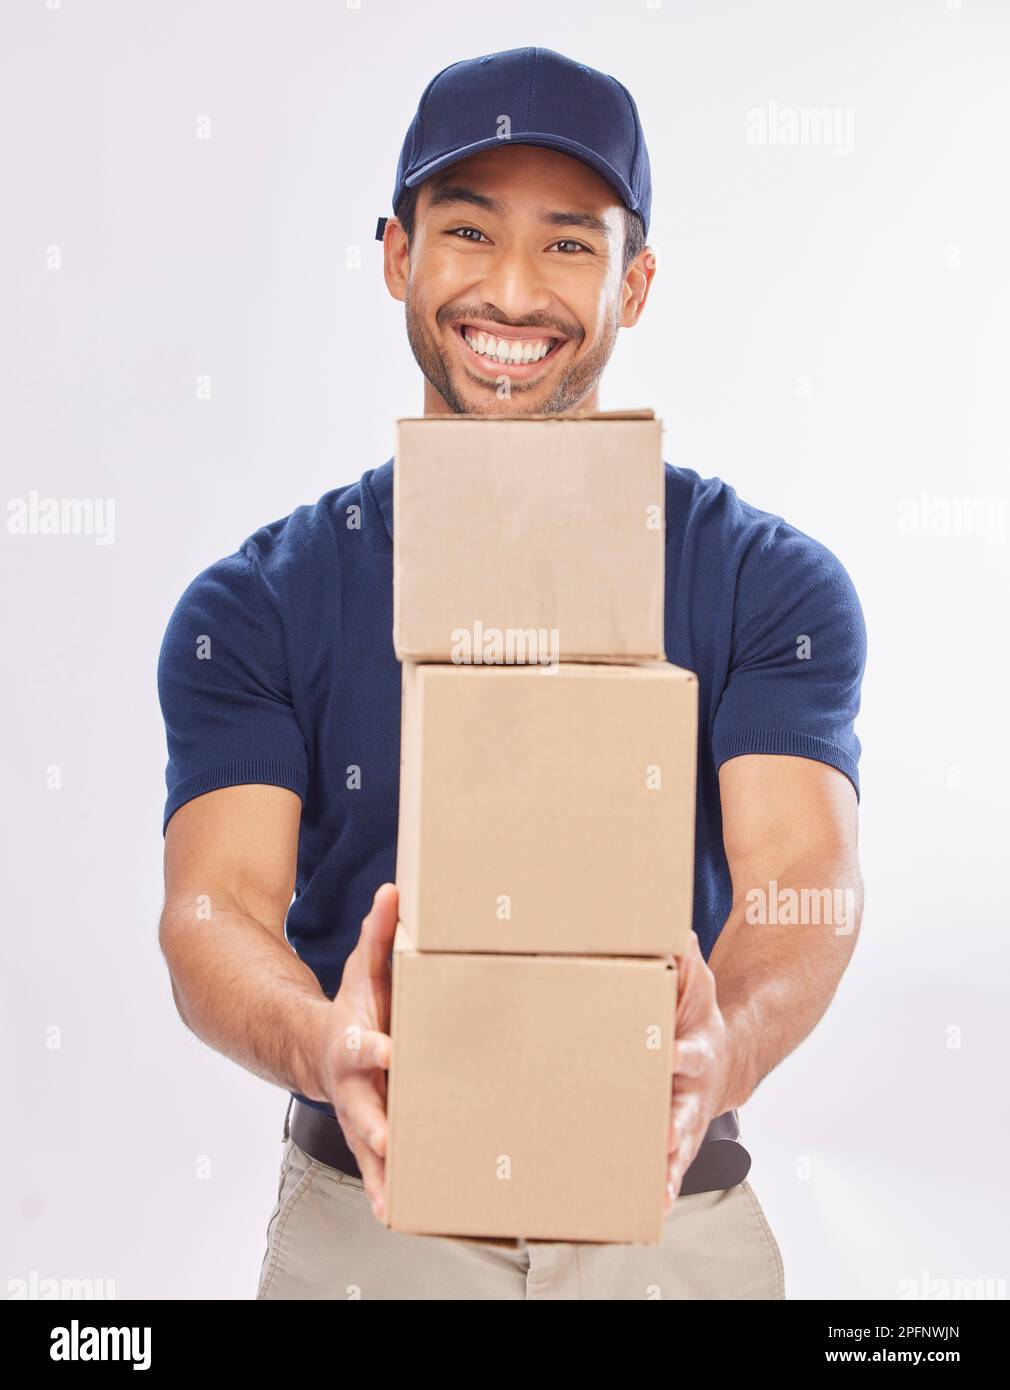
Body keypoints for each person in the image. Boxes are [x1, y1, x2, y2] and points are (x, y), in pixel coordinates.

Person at [156, 47, 865, 1300]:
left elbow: (801, 877)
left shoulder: (765, 582)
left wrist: (726, 1042)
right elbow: (213, 913)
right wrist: (325, 1041)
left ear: (635, 283)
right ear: (395, 255)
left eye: (569, 245)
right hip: (370, 1213)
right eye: (468, 231)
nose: (510, 291)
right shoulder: (258, 603)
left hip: (665, 1210)